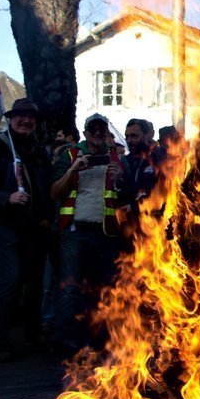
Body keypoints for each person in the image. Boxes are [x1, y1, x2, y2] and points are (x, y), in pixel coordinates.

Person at [0, 97, 53, 362]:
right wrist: (6, 197)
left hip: (32, 227)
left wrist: (45, 216)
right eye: (21, 116)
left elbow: (44, 188)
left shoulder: (38, 150)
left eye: (31, 117)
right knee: (10, 279)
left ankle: (31, 335)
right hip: (3, 225)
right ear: (11, 119)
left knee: (33, 282)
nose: (26, 121)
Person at [49, 113, 126, 353]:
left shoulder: (116, 157)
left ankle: (98, 340)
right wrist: (73, 169)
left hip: (105, 232)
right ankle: (66, 342)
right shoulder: (70, 155)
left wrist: (120, 178)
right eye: (92, 129)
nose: (97, 134)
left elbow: (124, 195)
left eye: (102, 129)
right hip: (74, 231)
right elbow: (54, 192)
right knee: (70, 288)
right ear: (84, 133)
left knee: (102, 288)